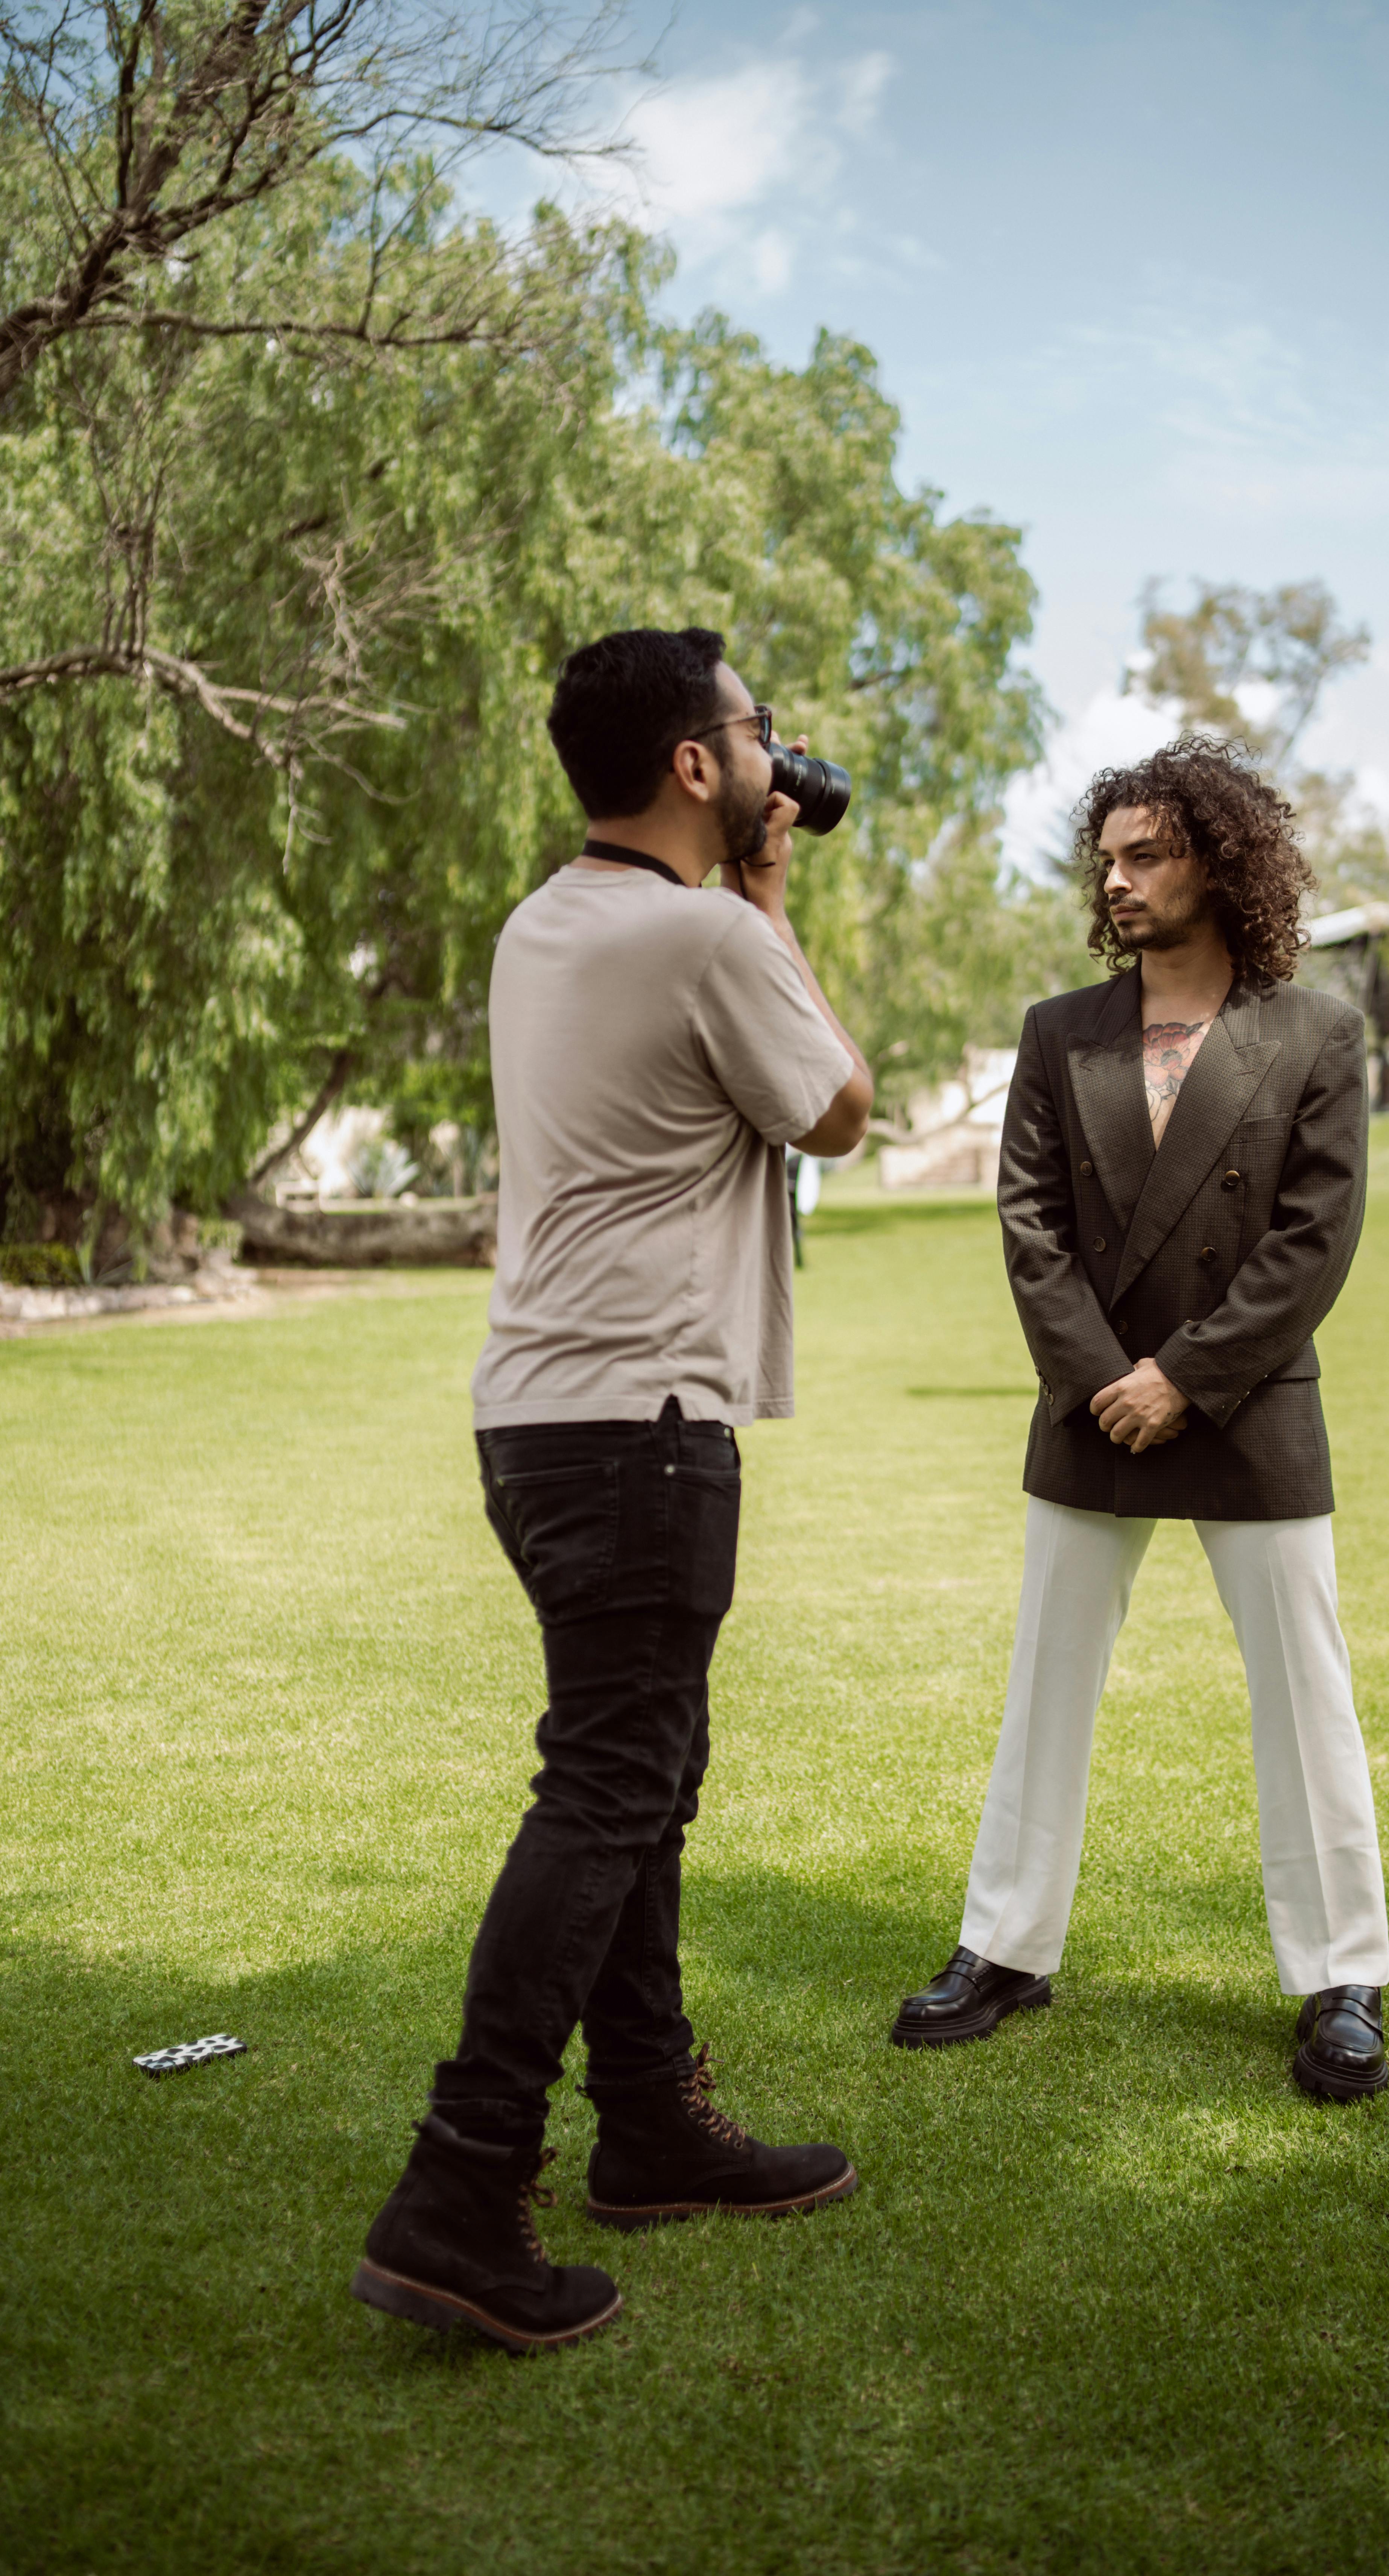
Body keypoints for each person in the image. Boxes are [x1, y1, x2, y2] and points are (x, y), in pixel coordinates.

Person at [353, 627, 873, 2354]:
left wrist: (746, 893)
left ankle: (648, 2119)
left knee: (643, 1777)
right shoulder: (705, 934)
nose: (777, 756)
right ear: (698, 763)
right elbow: (838, 1110)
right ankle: (459, 2189)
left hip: (541, 1421)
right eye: (757, 730)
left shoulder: (548, 923)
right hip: (640, 1424)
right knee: (607, 1789)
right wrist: (772, 898)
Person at [891, 738, 1389, 2102]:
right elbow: (1031, 1225)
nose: (1115, 880)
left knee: (1307, 1692)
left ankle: (1343, 1977)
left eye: (1147, 854)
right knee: (1045, 1681)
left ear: (1218, 864)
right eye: (1105, 858)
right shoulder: (1062, 1032)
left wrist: (1188, 1376)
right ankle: (1005, 1948)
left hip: (1248, 1396)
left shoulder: (1317, 1033)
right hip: (1093, 1398)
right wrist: (1109, 1376)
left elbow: (1314, 1240)